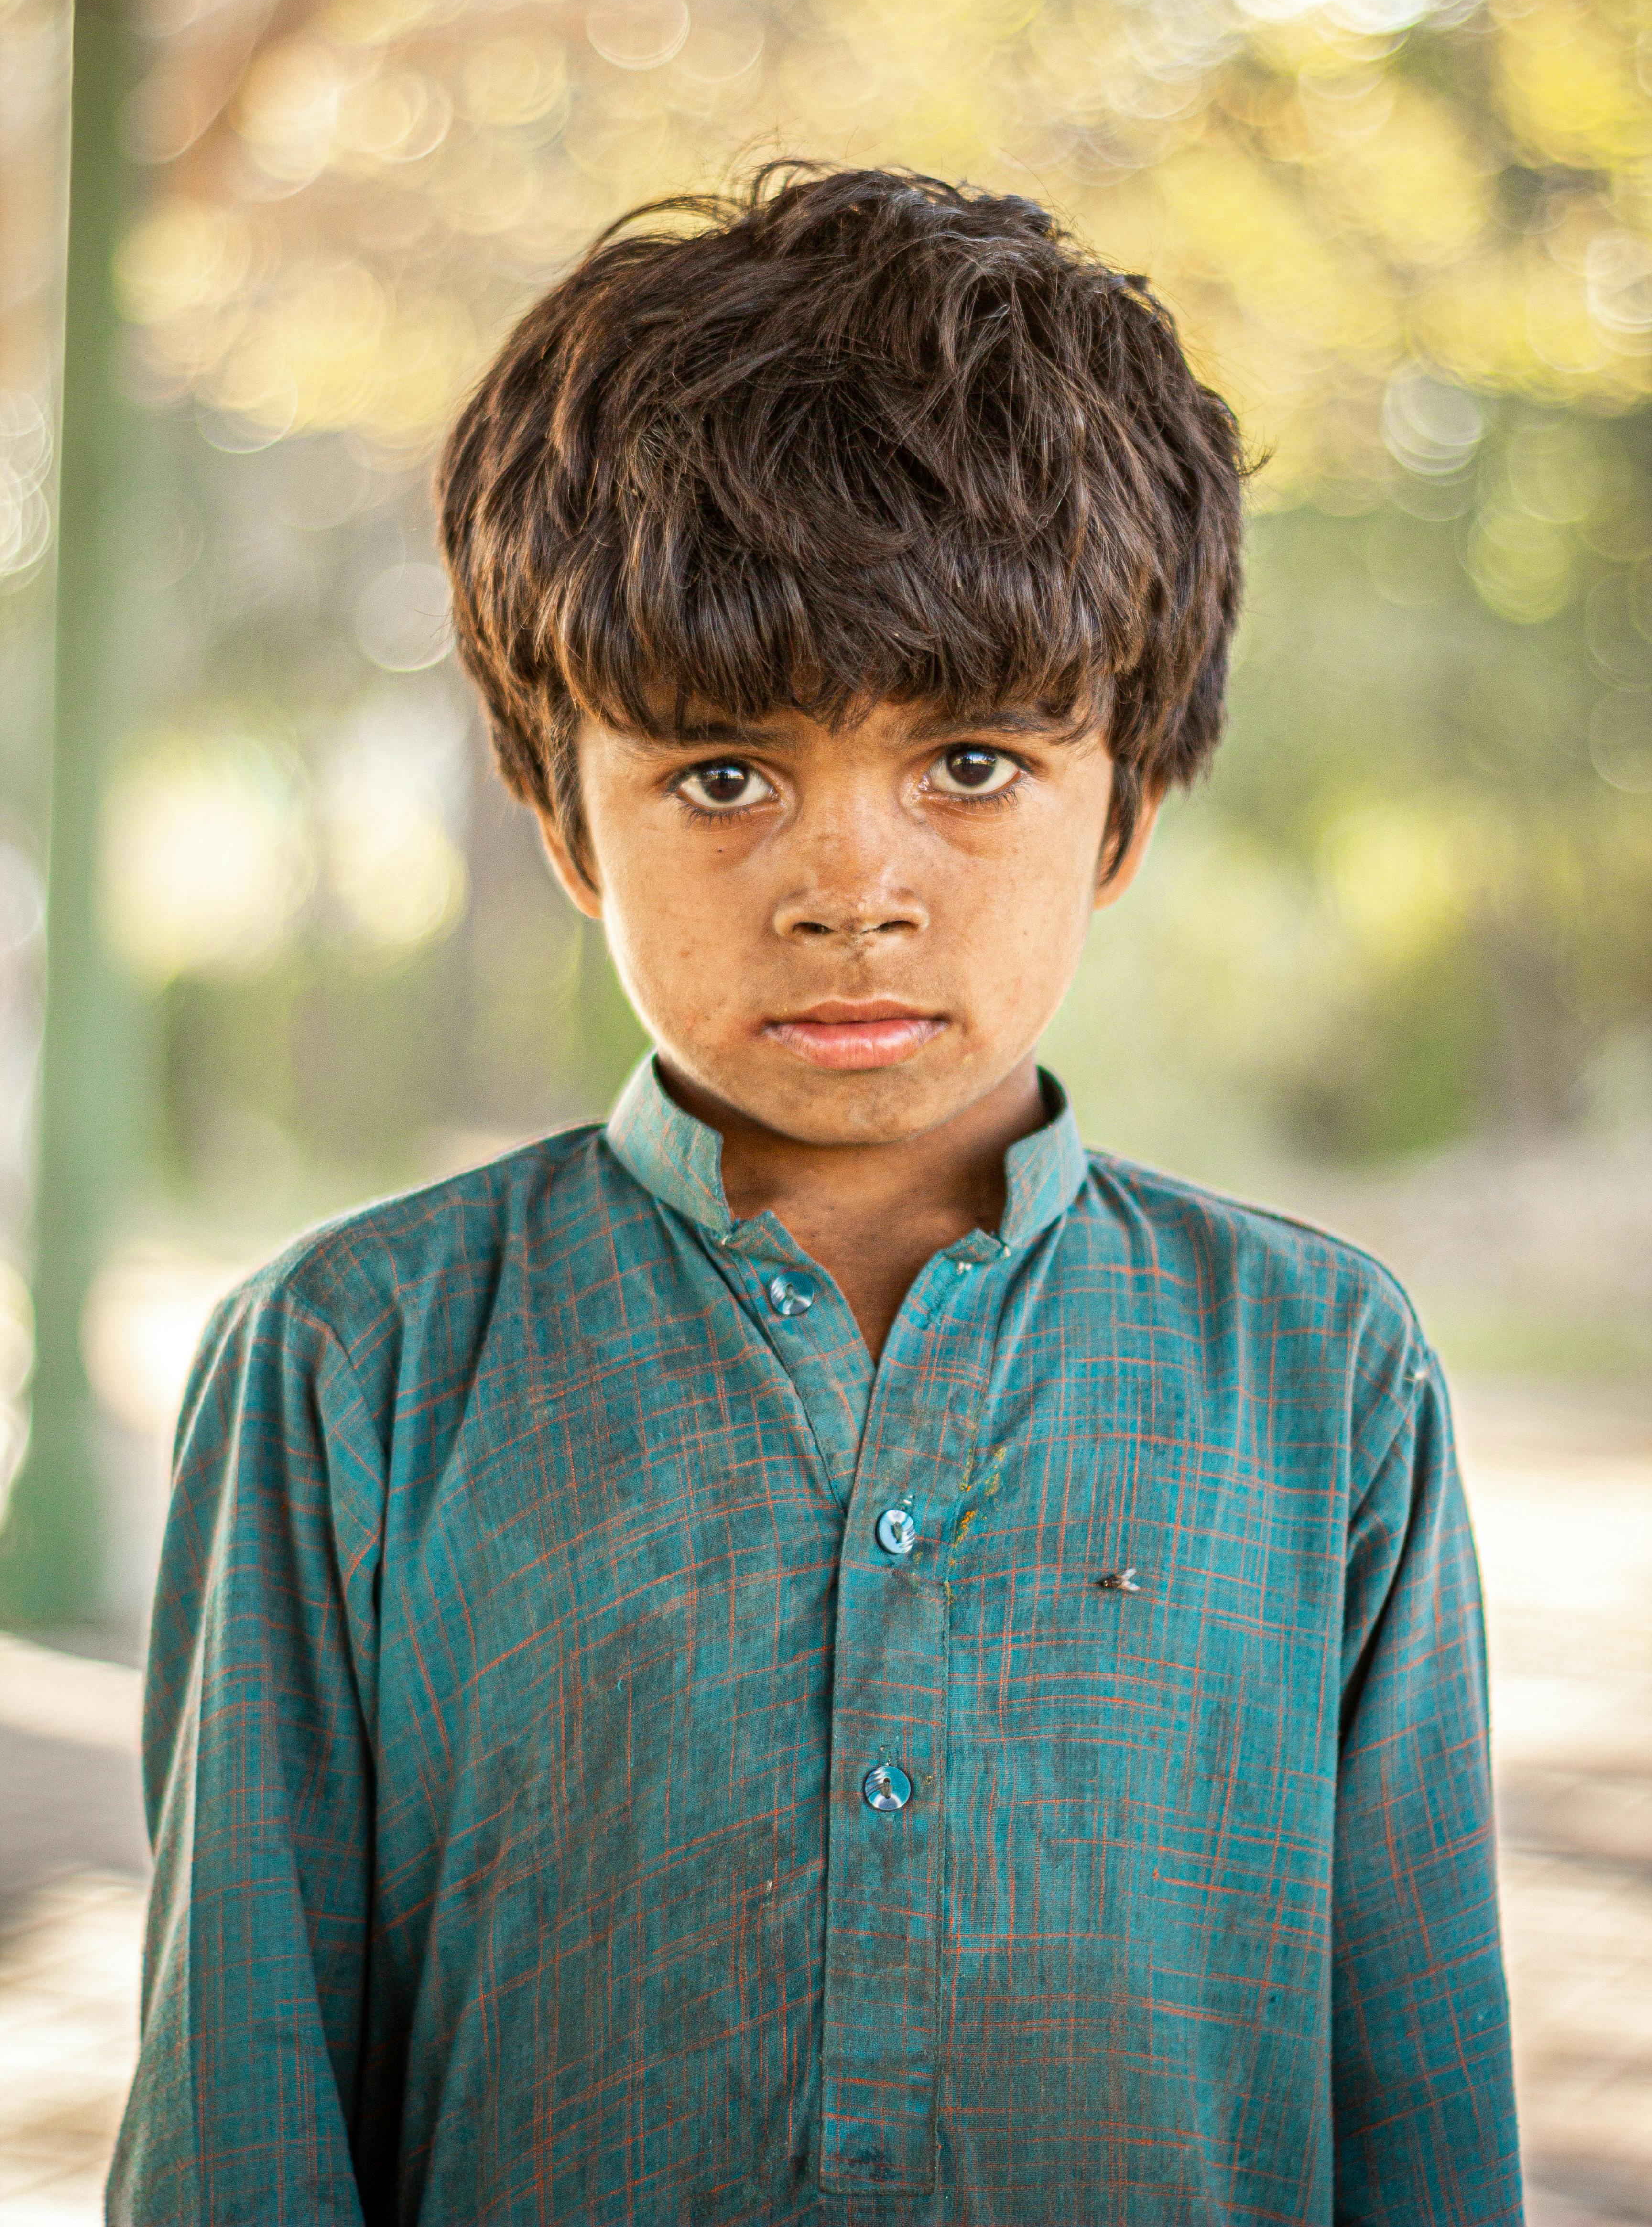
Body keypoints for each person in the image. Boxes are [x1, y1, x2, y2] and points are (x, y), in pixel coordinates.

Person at [109, 167, 1522, 2225]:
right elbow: (240, 2108)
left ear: (1122, 801)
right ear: (562, 815)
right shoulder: (350, 1365)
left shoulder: (1323, 1377)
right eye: (720, 775)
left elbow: (1424, 2105)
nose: (849, 882)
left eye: (969, 764)